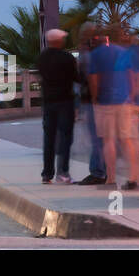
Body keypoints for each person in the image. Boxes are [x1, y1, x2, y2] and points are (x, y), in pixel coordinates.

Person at [89, 29, 139, 190]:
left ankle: (111, 178)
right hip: (124, 101)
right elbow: (132, 77)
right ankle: (132, 177)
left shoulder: (96, 54)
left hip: (105, 102)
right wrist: (131, 96)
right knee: (126, 139)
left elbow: (93, 80)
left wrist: (94, 98)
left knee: (108, 139)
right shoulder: (124, 53)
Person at [38, 28, 79, 184]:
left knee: (49, 138)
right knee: (65, 138)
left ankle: (47, 174)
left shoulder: (42, 58)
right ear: (59, 41)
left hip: (48, 102)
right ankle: (63, 173)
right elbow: (75, 77)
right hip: (65, 101)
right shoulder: (67, 58)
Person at [75, 24, 108, 185]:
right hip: (101, 99)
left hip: (92, 100)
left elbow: (91, 78)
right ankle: (104, 171)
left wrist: (94, 99)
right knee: (101, 138)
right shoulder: (101, 53)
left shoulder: (88, 55)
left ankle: (98, 172)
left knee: (96, 138)